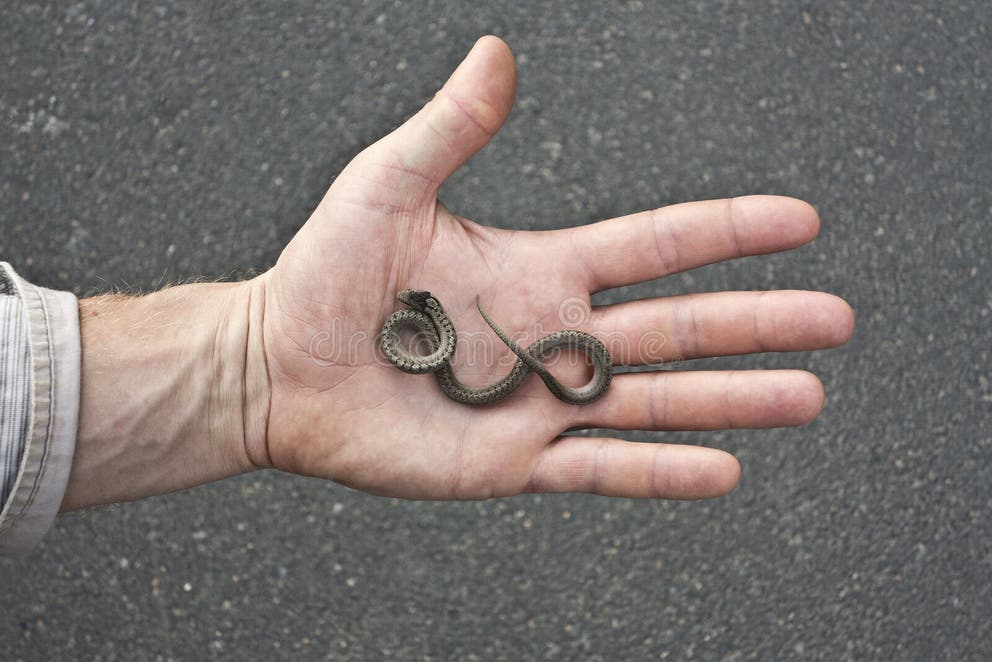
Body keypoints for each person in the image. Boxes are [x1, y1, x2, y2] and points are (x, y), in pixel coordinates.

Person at [0, 36, 854, 557]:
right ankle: (559, 375)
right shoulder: (417, 335)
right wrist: (254, 362)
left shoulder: (424, 335)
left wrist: (249, 363)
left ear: (418, 327)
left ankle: (561, 375)